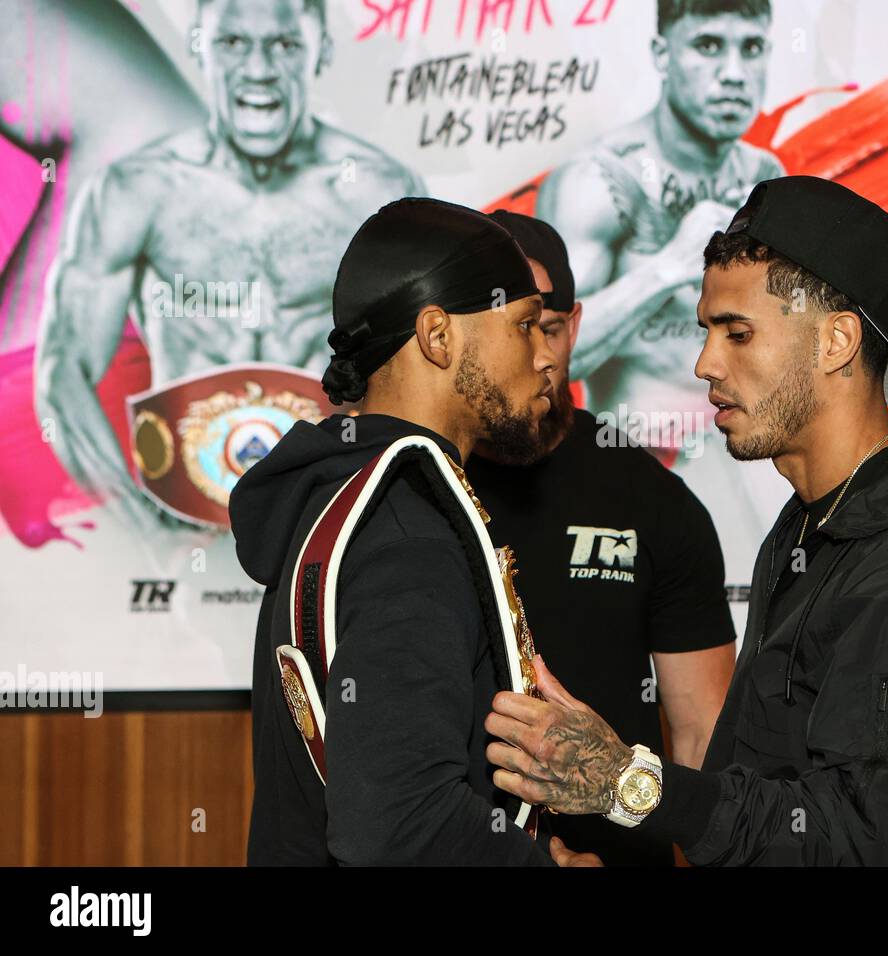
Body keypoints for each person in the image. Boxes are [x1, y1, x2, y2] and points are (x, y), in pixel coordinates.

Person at [486, 176, 888, 865]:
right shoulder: (810, 527)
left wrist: (627, 782)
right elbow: (753, 790)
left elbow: (853, 843)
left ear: (836, 342)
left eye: (738, 333)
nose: (706, 363)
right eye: (707, 331)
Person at [230, 197, 576, 865]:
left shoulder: (344, 490)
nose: (546, 358)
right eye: (527, 325)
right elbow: (396, 822)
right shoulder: (406, 526)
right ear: (438, 335)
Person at [33, 0, 423, 529]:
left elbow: (425, 366)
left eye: (284, 46)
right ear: (200, 48)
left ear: (321, 53)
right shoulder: (137, 190)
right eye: (233, 43)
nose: (259, 70)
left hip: (331, 513)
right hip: (180, 513)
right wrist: (139, 528)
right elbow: (64, 371)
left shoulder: (380, 193)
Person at [465, 210, 736, 866]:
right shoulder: (413, 489)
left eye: (547, 328)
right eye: (509, 330)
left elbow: (706, 748)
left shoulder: (652, 499)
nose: (531, 358)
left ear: (575, 328)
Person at [536, 0, 787, 594]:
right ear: (661, 55)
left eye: (750, 48)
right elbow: (545, 356)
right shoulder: (597, 182)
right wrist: (669, 268)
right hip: (629, 477)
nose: (733, 71)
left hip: (744, 480)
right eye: (708, 46)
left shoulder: (765, 176)